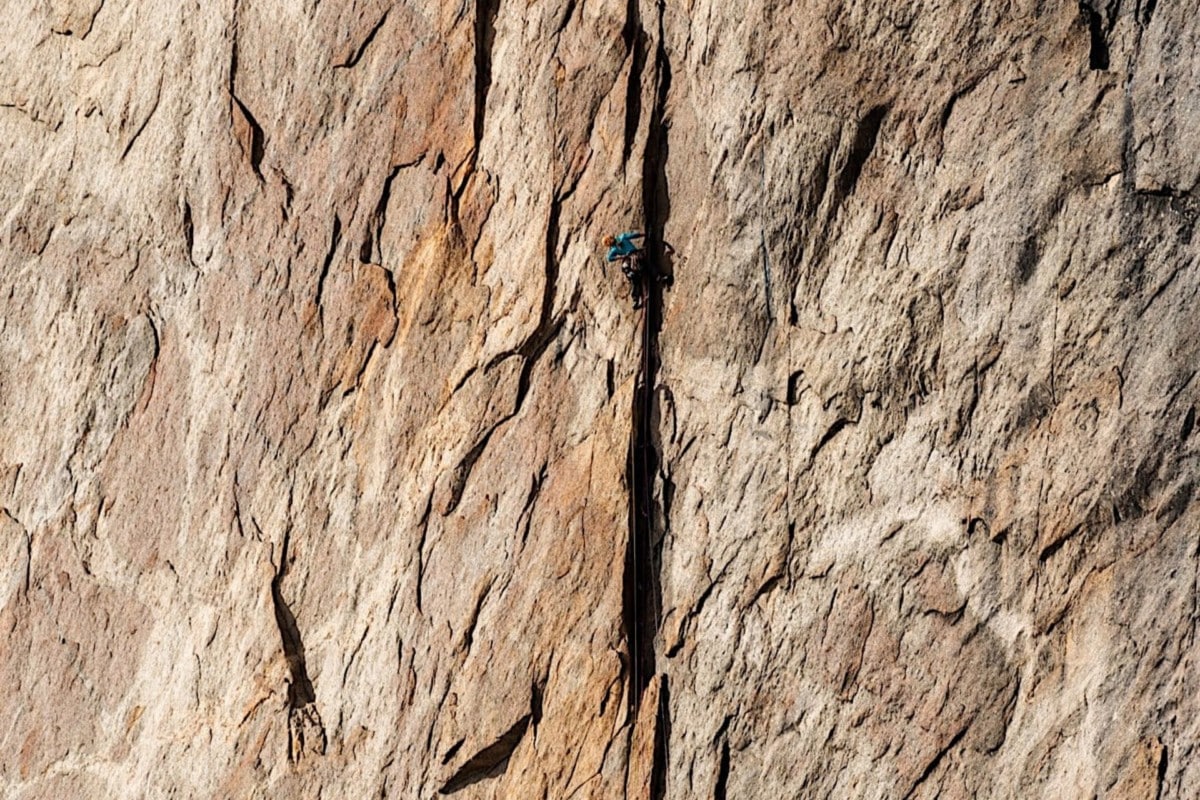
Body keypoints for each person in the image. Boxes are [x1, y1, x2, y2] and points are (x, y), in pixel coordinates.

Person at [604, 231, 671, 309]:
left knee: (634, 278)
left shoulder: (614, 249)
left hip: (629, 260)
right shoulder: (621, 237)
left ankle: (636, 298)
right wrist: (645, 234)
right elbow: (634, 235)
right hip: (636, 255)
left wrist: (620, 257)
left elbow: (609, 258)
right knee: (647, 263)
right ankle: (660, 277)